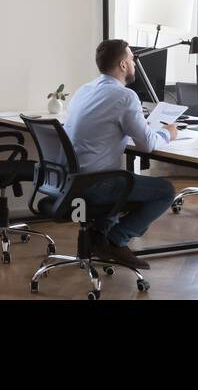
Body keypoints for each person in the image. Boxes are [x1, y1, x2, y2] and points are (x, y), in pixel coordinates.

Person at [63, 40, 179, 269]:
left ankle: (97, 235)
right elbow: (147, 145)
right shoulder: (125, 97)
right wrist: (168, 133)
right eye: (132, 59)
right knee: (165, 191)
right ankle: (115, 240)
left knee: (124, 179)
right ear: (123, 65)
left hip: (70, 181)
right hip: (95, 184)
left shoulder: (84, 90)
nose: (135, 63)